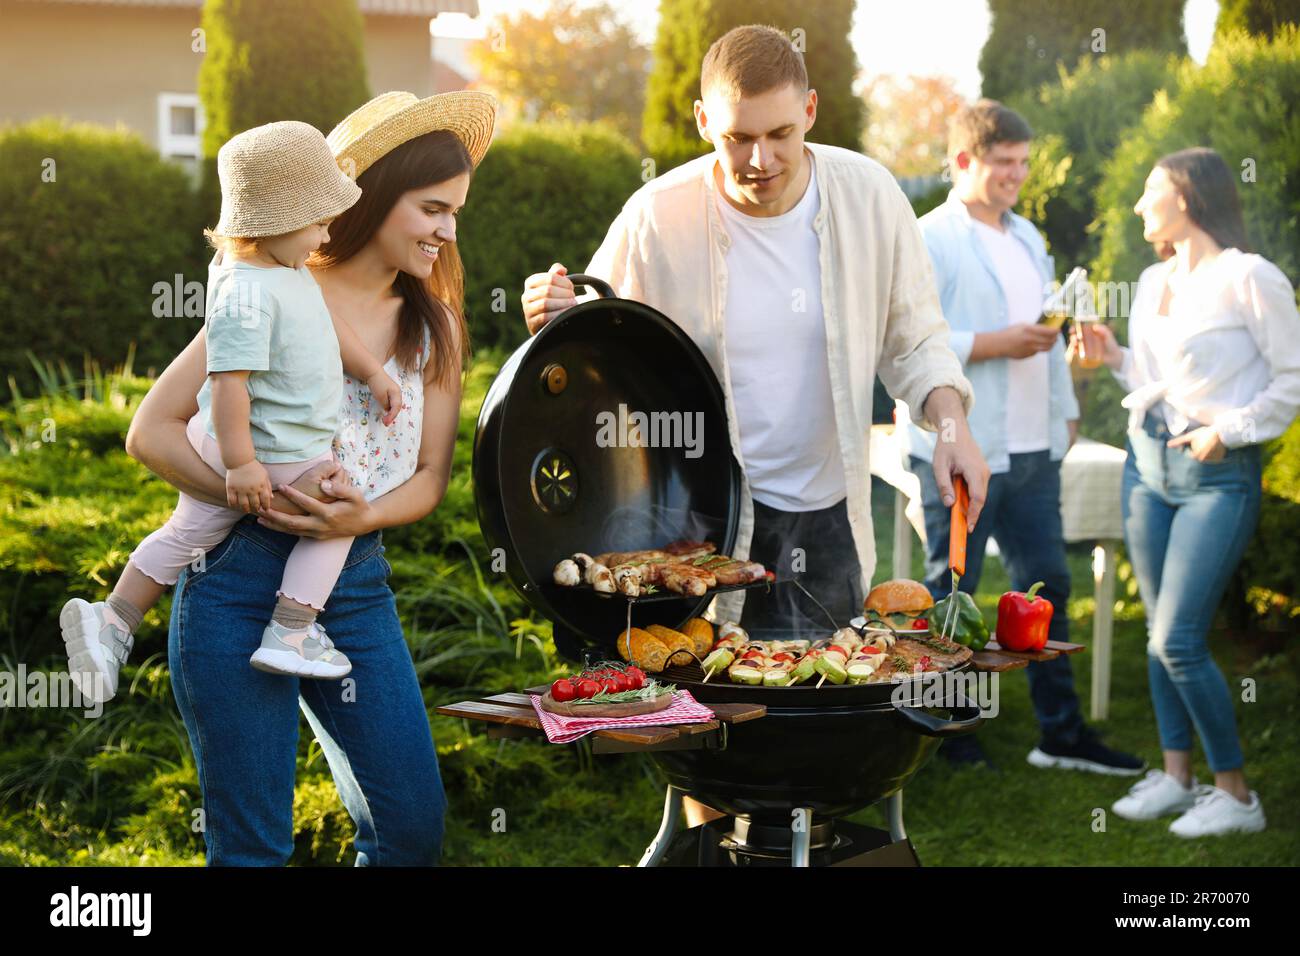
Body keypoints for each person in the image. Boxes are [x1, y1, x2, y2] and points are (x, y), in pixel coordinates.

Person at [122, 90, 497, 864]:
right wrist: (250, 495)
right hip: (234, 579)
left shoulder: (439, 324)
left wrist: (355, 522)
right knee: (255, 848)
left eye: (456, 211)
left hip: (353, 586)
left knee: (409, 830)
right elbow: (150, 432)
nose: (448, 231)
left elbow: (429, 479)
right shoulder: (273, 288)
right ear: (372, 198)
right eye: (432, 208)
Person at [523, 25, 987, 644]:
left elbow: (917, 340)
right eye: (738, 138)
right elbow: (596, 332)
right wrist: (554, 308)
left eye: (780, 134)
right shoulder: (656, 215)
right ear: (702, 121)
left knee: (825, 696)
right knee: (708, 707)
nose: (760, 160)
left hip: (830, 514)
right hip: (694, 517)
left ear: (810, 111)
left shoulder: (870, 197)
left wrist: (952, 425)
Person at [59, 120, 412, 699]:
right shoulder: (245, 293)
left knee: (186, 533)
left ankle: (113, 618)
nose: (325, 237)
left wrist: (372, 372)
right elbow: (228, 384)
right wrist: (243, 465)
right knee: (333, 516)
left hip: (243, 446)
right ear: (277, 220)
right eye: (320, 222)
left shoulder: (286, 271)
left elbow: (327, 326)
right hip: (270, 449)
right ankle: (293, 630)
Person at [898, 99, 1143, 775]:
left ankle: (1058, 733)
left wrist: (1065, 408)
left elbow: (1047, 333)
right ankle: (949, 730)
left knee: (1048, 587)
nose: (1017, 175)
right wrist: (994, 343)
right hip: (962, 444)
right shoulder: (930, 237)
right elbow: (906, 340)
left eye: (1023, 163)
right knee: (955, 591)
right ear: (963, 161)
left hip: (1034, 447)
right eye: (1004, 163)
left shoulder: (1030, 237)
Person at [1086, 147, 1300, 837]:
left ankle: (1236, 795)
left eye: (1151, 190)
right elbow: (1153, 381)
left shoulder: (1249, 277)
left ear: (1188, 196)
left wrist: (1230, 430)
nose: (1140, 204)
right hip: (1146, 467)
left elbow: (1292, 379)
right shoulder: (1152, 281)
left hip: (1216, 476)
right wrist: (1112, 357)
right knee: (1156, 635)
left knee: (1177, 638)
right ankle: (1178, 778)